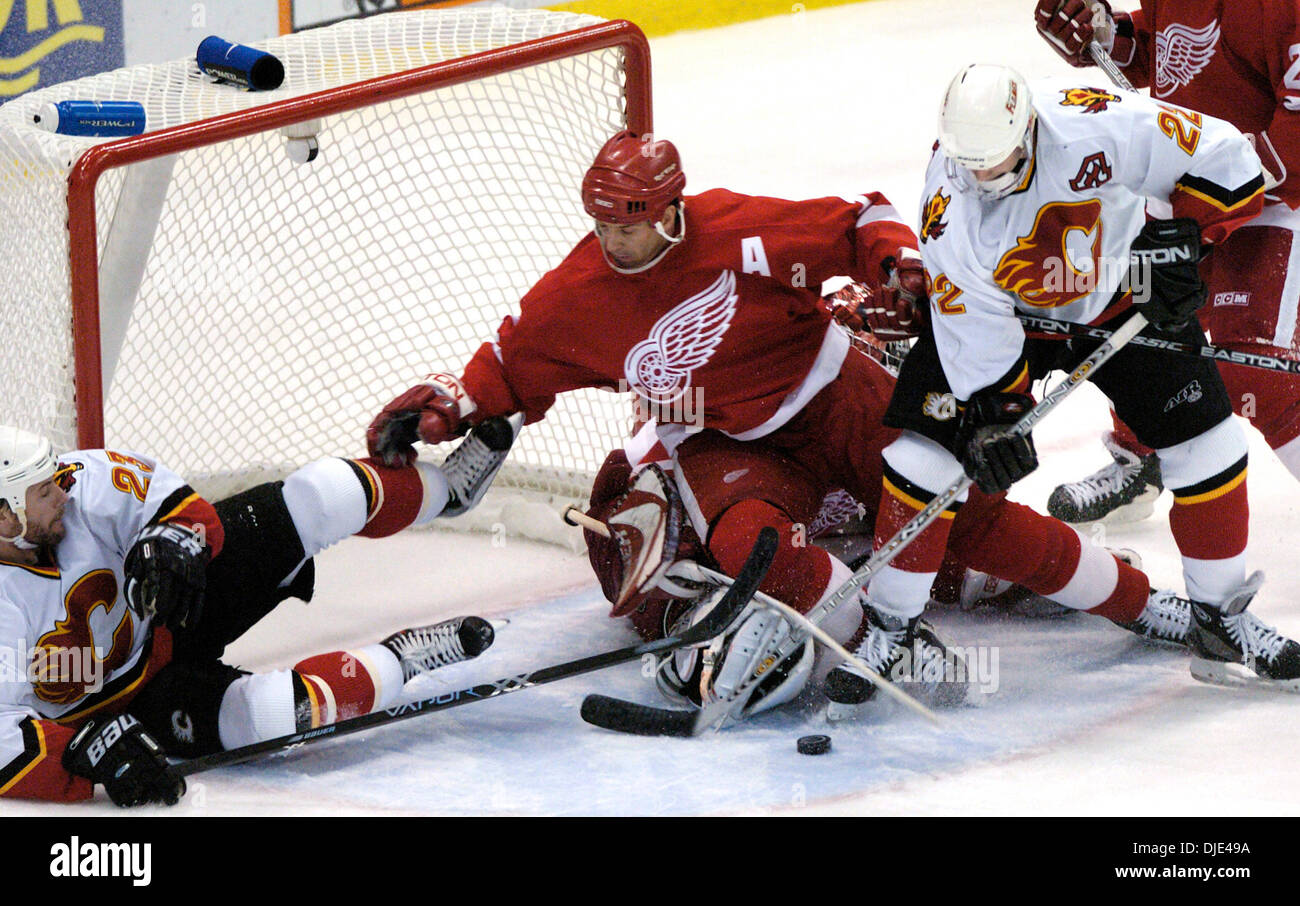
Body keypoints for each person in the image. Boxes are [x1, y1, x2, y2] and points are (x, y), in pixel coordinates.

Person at [367, 130, 1196, 724]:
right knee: (748, 547)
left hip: (836, 391)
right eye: (603, 224)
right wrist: (445, 405)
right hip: (721, 440)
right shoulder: (576, 297)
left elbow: (856, 218)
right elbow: (508, 370)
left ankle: (1140, 603)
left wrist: (896, 264)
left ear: (669, 208)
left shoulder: (737, 229)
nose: (612, 240)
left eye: (628, 224)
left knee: (964, 518)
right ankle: (885, 640)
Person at [848, 61, 1299, 704]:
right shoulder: (948, 206)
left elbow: (1225, 156)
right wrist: (996, 416)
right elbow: (973, 323)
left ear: (1029, 128)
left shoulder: (1102, 123)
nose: (984, 180)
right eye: (971, 164)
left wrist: (1187, 239)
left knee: (1211, 445)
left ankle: (1221, 621)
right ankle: (890, 629)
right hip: (1010, 319)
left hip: (1120, 301)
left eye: (997, 164)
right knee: (926, 457)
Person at [0, 417, 516, 806]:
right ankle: (400, 660)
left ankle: (448, 491)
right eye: (43, 490)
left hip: (172, 607)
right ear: (6, 516)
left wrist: (174, 540)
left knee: (323, 495)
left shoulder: (81, 480)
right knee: (271, 715)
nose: (61, 491)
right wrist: (82, 751)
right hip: (134, 707)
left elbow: (182, 509)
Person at [1035, 0, 1300, 524]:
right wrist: (1104, 35)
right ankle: (1144, 457)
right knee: (1140, 332)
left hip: (1277, 200)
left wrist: (1218, 184)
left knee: (1252, 373)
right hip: (1187, 190)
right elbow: (1166, 56)